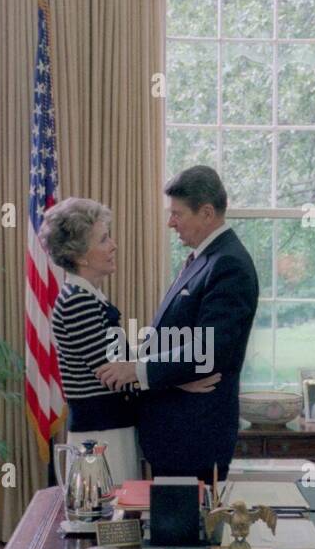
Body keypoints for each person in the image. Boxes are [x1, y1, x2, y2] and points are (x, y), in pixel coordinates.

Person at [95, 166, 258, 481]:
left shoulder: (229, 264)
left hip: (193, 440)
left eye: (177, 214)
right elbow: (173, 341)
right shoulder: (205, 259)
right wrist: (171, 377)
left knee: (188, 530)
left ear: (207, 213)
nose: (170, 223)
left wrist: (137, 371)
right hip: (177, 435)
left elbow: (209, 348)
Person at [41, 198, 218, 483]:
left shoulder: (88, 297)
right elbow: (114, 373)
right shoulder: (78, 302)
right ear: (80, 256)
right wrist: (179, 381)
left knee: (119, 518)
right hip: (100, 436)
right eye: (103, 239)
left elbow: (121, 358)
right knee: (109, 521)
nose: (113, 246)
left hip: (112, 428)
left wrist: (172, 363)